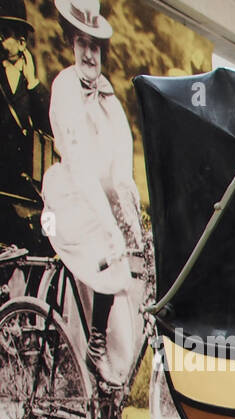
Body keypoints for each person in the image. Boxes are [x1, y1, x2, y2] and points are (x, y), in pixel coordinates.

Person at [40, 0, 146, 393]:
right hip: (69, 198)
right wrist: (113, 232)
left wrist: (133, 222)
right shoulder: (64, 89)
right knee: (108, 250)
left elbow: (120, 173)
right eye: (82, 43)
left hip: (98, 203)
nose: (89, 53)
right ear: (72, 44)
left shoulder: (111, 102)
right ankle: (94, 346)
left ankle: (102, 359)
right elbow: (83, 172)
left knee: (127, 271)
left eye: (95, 46)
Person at [0, 1, 49, 251]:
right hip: (2, 184)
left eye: (4, 35)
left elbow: (49, 125)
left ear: (21, 43)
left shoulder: (33, 87)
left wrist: (33, 84)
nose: (0, 40)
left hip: (24, 184)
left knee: (34, 245)